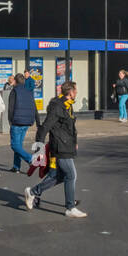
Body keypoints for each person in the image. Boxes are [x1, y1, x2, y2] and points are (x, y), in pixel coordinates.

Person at [25, 81, 85, 217]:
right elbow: (44, 128)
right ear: (70, 92)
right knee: (71, 175)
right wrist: (38, 150)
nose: (76, 93)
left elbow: (70, 127)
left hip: (66, 145)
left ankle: (33, 192)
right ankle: (70, 208)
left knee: (57, 176)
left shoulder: (68, 105)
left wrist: (75, 141)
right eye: (75, 91)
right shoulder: (58, 107)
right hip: (59, 147)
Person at [7, 71, 37, 172]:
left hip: (17, 122)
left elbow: (11, 108)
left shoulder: (14, 91)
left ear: (15, 81)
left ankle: (30, 159)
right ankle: (16, 167)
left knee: (14, 145)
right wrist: (33, 120)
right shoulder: (29, 91)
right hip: (26, 122)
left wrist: (10, 120)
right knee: (18, 145)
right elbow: (33, 106)